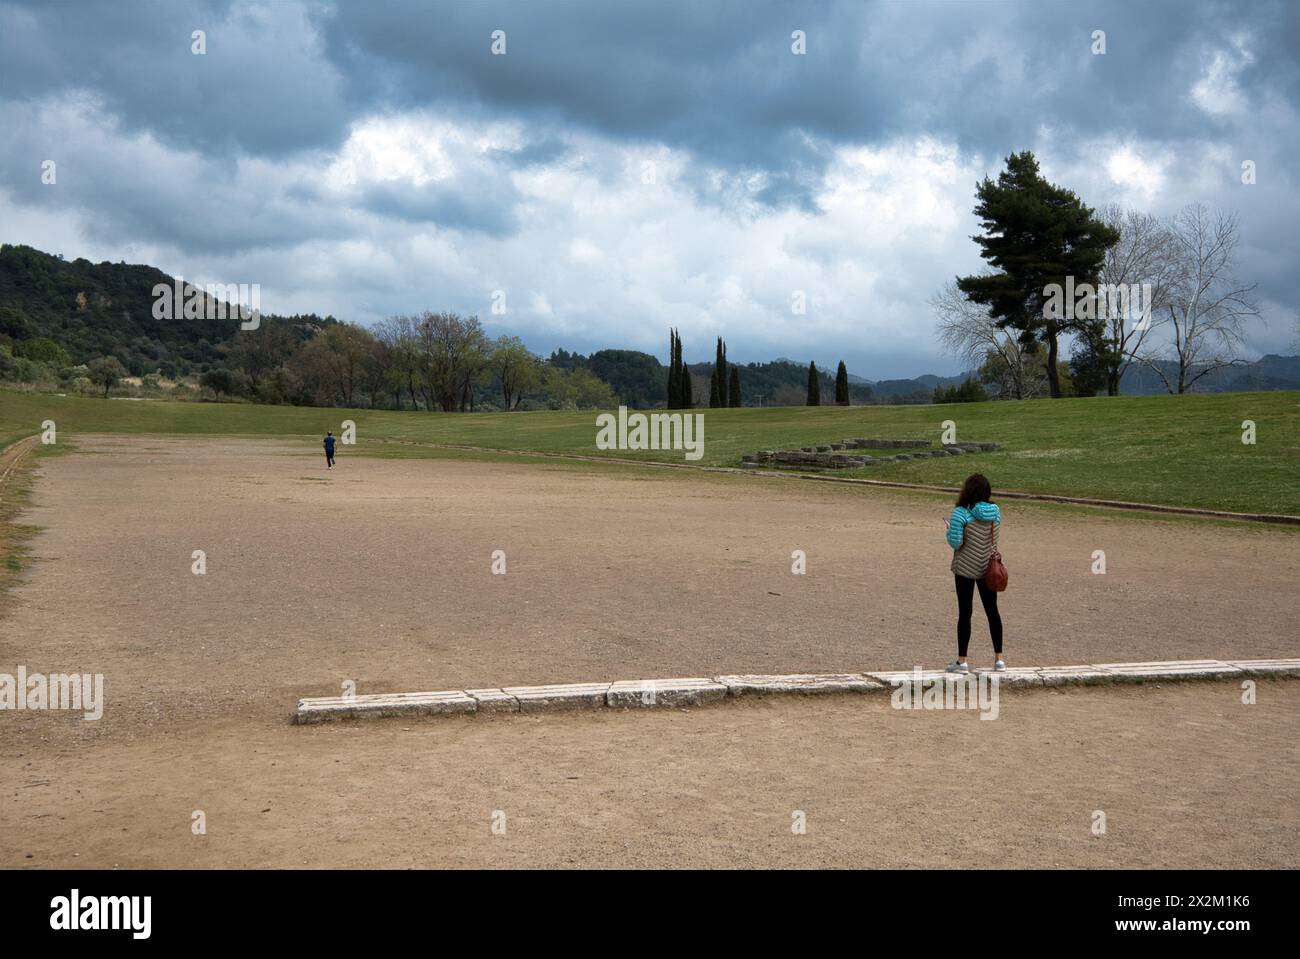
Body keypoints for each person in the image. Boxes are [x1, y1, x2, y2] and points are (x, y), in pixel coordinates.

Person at [943, 473, 1004, 674]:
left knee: (965, 613)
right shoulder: (995, 511)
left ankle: (962, 661)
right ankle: (999, 659)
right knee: (992, 612)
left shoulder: (961, 513)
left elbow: (956, 542)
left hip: (965, 568)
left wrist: (948, 531)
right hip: (987, 567)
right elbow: (993, 538)